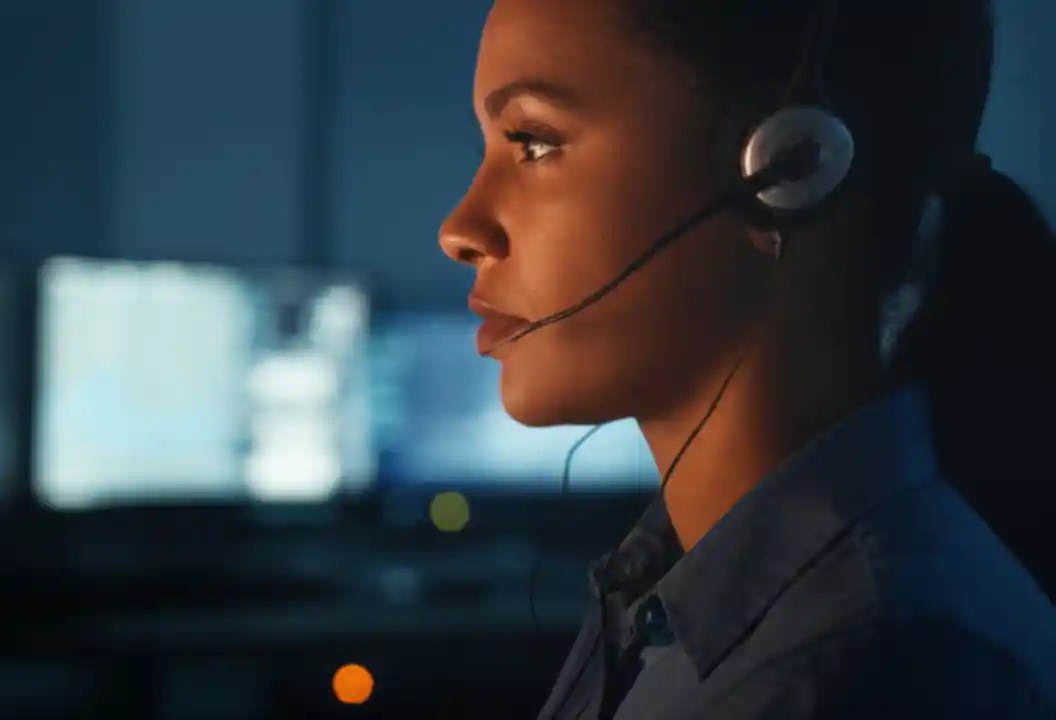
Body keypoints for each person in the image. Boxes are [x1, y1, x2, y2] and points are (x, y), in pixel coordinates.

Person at [437, 0, 1055, 717]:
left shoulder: (870, 669)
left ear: (790, 167)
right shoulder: (672, 596)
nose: (460, 230)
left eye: (534, 142)